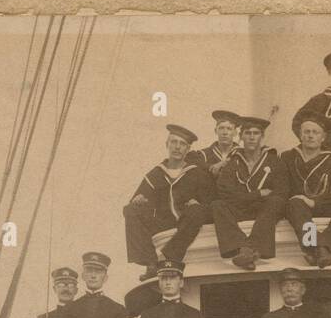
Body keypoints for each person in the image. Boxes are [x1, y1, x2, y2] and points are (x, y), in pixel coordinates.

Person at [123, 123, 214, 279]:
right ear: (167, 145)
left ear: (188, 149)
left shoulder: (196, 173)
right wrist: (137, 200)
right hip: (163, 223)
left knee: (197, 211)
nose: (177, 147)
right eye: (174, 142)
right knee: (130, 209)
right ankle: (150, 261)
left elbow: (211, 202)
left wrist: (198, 204)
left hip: (187, 222)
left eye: (182, 144)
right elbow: (138, 199)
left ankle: (169, 255)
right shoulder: (156, 174)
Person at [280, 114, 331, 268]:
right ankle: (318, 248)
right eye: (306, 132)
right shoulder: (287, 157)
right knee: (295, 203)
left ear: (323, 138)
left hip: (324, 205)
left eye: (315, 132)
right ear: (300, 135)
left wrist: (315, 202)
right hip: (299, 208)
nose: (310, 136)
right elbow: (282, 186)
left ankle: (325, 247)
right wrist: (301, 200)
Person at [212, 115, 288, 269]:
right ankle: (244, 248)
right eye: (247, 133)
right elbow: (225, 193)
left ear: (262, 136)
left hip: (265, 211)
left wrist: (247, 197)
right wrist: (258, 194)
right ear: (240, 137)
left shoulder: (274, 160)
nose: (252, 137)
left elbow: (281, 191)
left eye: (256, 133)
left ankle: (249, 249)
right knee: (217, 204)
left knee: (276, 201)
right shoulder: (233, 162)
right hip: (242, 210)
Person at [189, 109, 242, 177]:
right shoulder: (204, 154)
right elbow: (189, 161)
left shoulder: (241, 154)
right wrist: (211, 167)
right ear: (216, 131)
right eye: (221, 128)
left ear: (235, 133)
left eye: (229, 129)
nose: (225, 132)